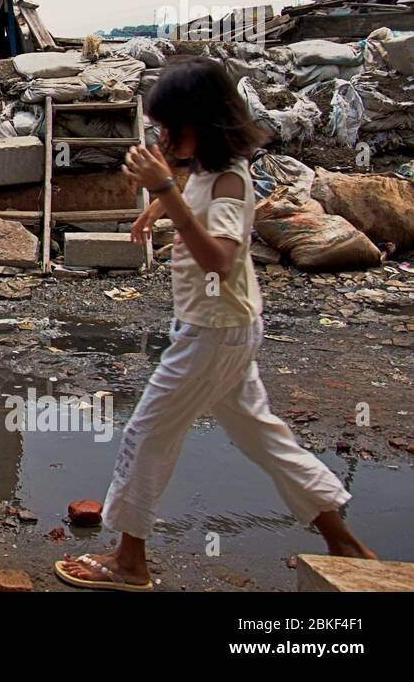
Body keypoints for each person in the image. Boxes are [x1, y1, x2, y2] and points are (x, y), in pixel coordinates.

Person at [54, 57, 375, 592]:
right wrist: (158, 206)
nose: (160, 135)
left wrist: (163, 194)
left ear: (199, 122)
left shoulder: (229, 179)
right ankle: (342, 540)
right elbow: (196, 209)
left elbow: (220, 258)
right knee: (261, 435)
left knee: (147, 431)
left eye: (167, 126)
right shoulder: (205, 172)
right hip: (226, 327)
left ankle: (130, 562)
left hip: (214, 332)